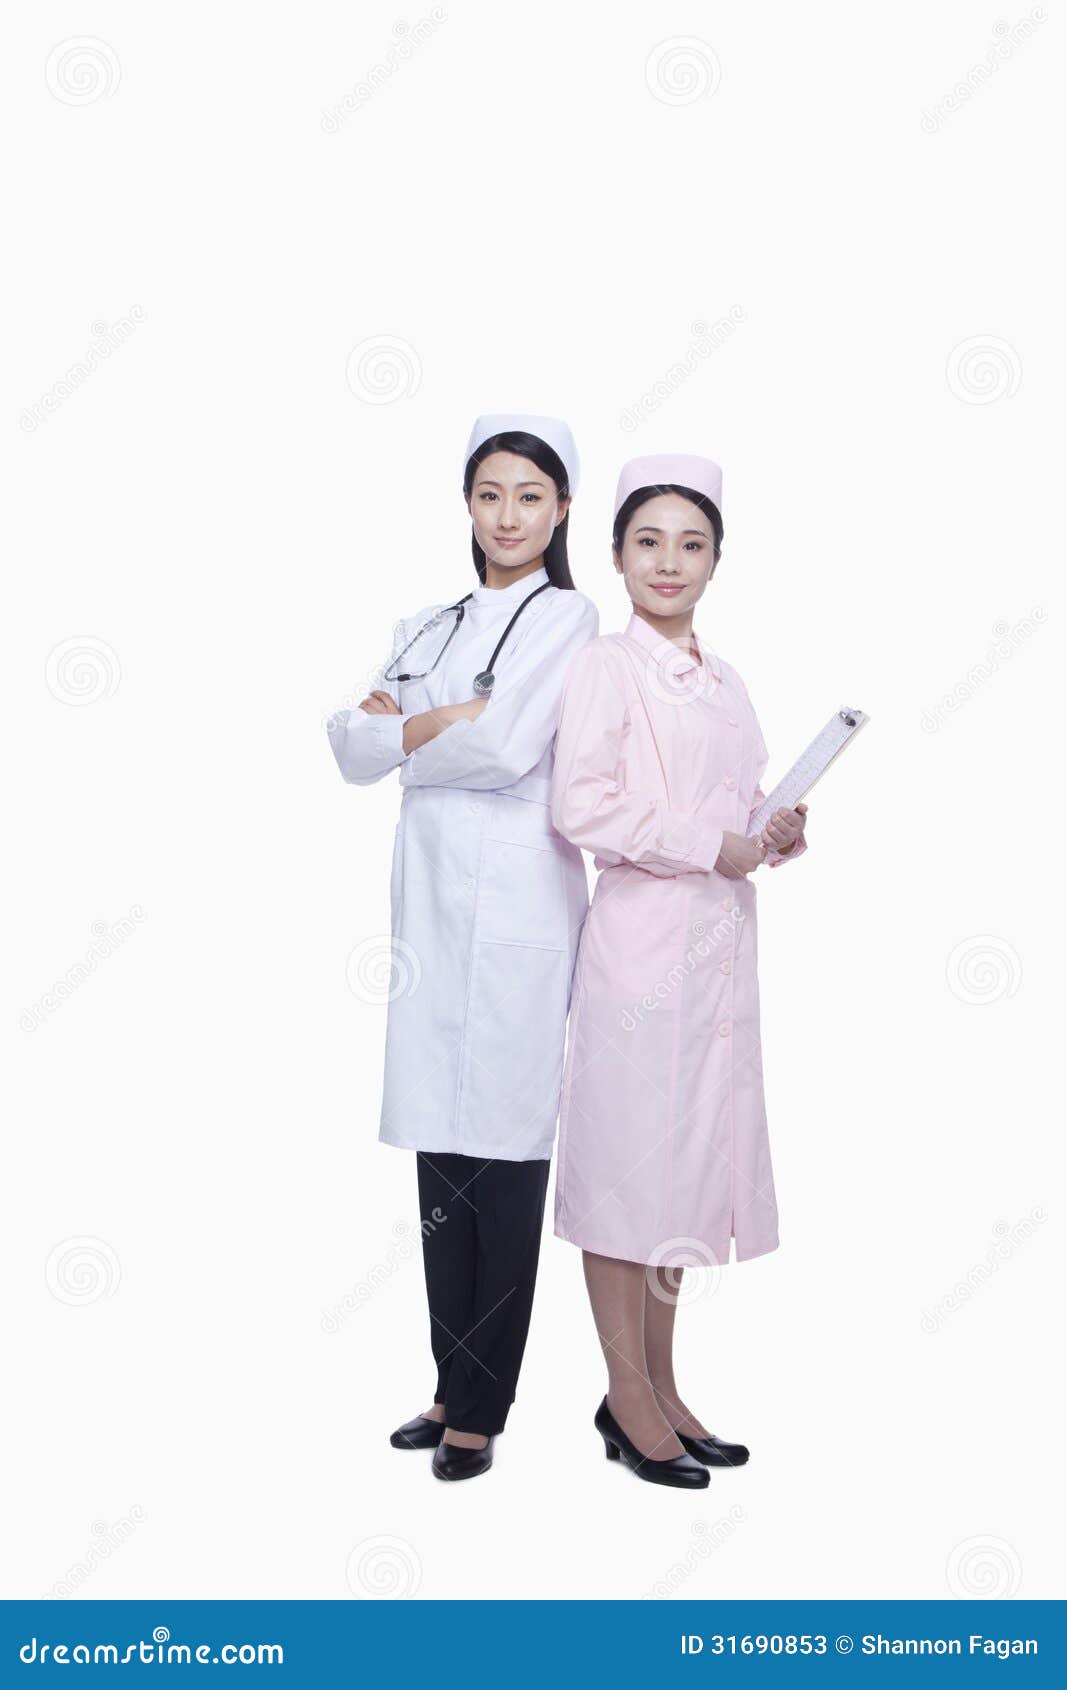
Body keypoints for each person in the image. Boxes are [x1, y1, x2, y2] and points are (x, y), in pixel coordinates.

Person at [327, 414, 598, 1480]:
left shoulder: (566, 619)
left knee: (505, 1150)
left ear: (562, 508)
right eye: (490, 493)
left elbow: (504, 746)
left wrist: (417, 731)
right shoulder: (427, 620)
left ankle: (484, 1401)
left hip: (523, 910)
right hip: (431, 909)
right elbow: (347, 746)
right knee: (441, 1151)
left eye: (530, 496)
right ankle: (447, 1379)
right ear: (467, 503)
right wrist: (440, 723)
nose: (507, 515)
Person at [549, 453, 808, 1489]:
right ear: (614, 555)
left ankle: (656, 1383)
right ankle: (626, 1397)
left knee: (676, 1179)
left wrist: (772, 828)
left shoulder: (723, 674)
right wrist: (713, 843)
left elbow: (733, 803)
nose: (668, 561)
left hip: (714, 952)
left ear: (714, 560)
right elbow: (584, 806)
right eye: (647, 541)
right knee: (621, 1178)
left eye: (689, 544)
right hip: (640, 950)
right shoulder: (606, 668)